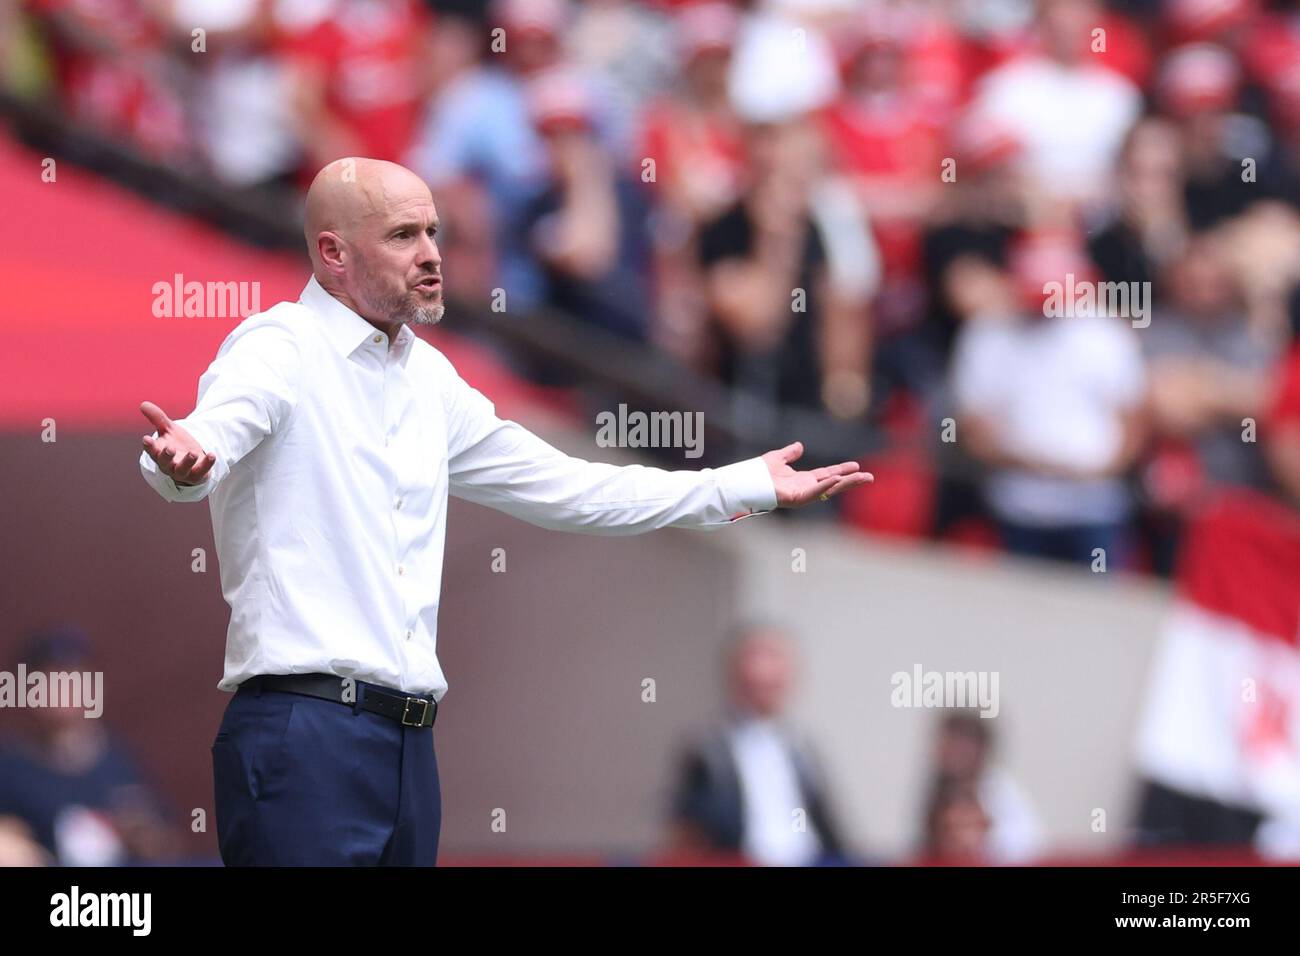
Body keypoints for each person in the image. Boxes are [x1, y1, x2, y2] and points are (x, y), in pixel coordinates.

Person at [136, 157, 874, 866]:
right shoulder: (279, 346)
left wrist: (741, 484)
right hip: (304, 732)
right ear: (333, 253)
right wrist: (180, 462)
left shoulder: (429, 376)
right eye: (402, 236)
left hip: (407, 746)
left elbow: (572, 487)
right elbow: (204, 439)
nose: (430, 254)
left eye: (433, 232)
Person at [668, 625, 850, 866]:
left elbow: (829, 826)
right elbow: (688, 831)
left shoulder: (801, 747)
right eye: (755, 661)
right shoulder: (707, 750)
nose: (764, 674)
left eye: (775, 662)